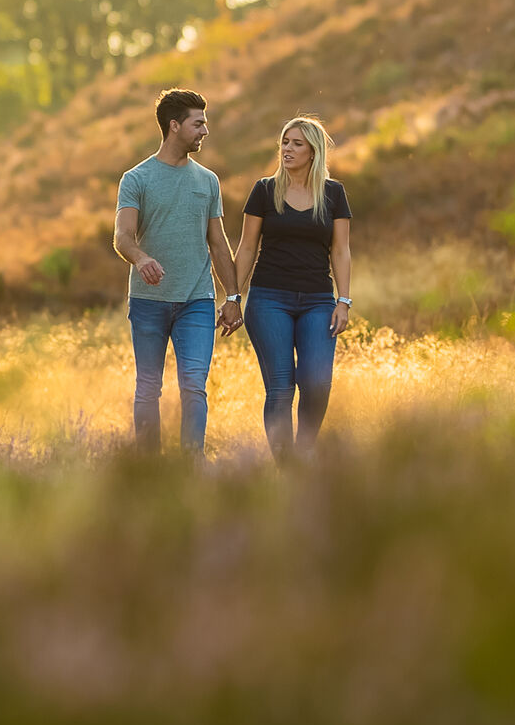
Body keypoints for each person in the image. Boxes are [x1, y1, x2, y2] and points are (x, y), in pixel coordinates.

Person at [113, 88, 241, 451]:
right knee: (149, 387)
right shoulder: (136, 179)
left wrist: (232, 296)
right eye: (197, 123)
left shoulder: (208, 181)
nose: (205, 130)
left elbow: (218, 243)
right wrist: (141, 258)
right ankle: (151, 470)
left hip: (197, 300)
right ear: (174, 126)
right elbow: (122, 236)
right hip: (148, 301)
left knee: (194, 386)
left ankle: (191, 467)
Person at [233, 115, 352, 456]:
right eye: (285, 142)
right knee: (281, 389)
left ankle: (304, 452)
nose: (287, 149)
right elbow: (246, 247)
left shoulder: (334, 193)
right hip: (269, 298)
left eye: (296, 143)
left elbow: (341, 250)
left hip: (318, 300)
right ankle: (287, 468)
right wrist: (232, 297)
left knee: (316, 383)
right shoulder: (264, 190)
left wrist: (343, 300)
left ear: (313, 152)